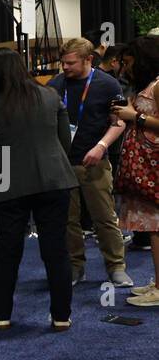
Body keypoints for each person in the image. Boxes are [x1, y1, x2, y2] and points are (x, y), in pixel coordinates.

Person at [0, 48, 77, 329]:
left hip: (11, 186)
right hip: (55, 180)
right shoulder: (51, 96)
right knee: (56, 249)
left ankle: (3, 314)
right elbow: (64, 144)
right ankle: (61, 316)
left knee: (8, 251)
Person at [47, 37, 132, 286]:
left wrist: (101, 146)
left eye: (71, 63)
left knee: (104, 217)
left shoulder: (108, 84)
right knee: (67, 220)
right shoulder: (56, 85)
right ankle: (75, 266)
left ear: (88, 60)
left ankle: (116, 266)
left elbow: (120, 121)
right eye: (63, 63)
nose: (66, 68)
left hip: (95, 162)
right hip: (63, 165)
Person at [110, 35, 159, 305]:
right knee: (153, 226)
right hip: (146, 165)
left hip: (154, 166)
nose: (126, 68)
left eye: (129, 62)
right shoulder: (150, 85)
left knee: (156, 226)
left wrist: (135, 116)